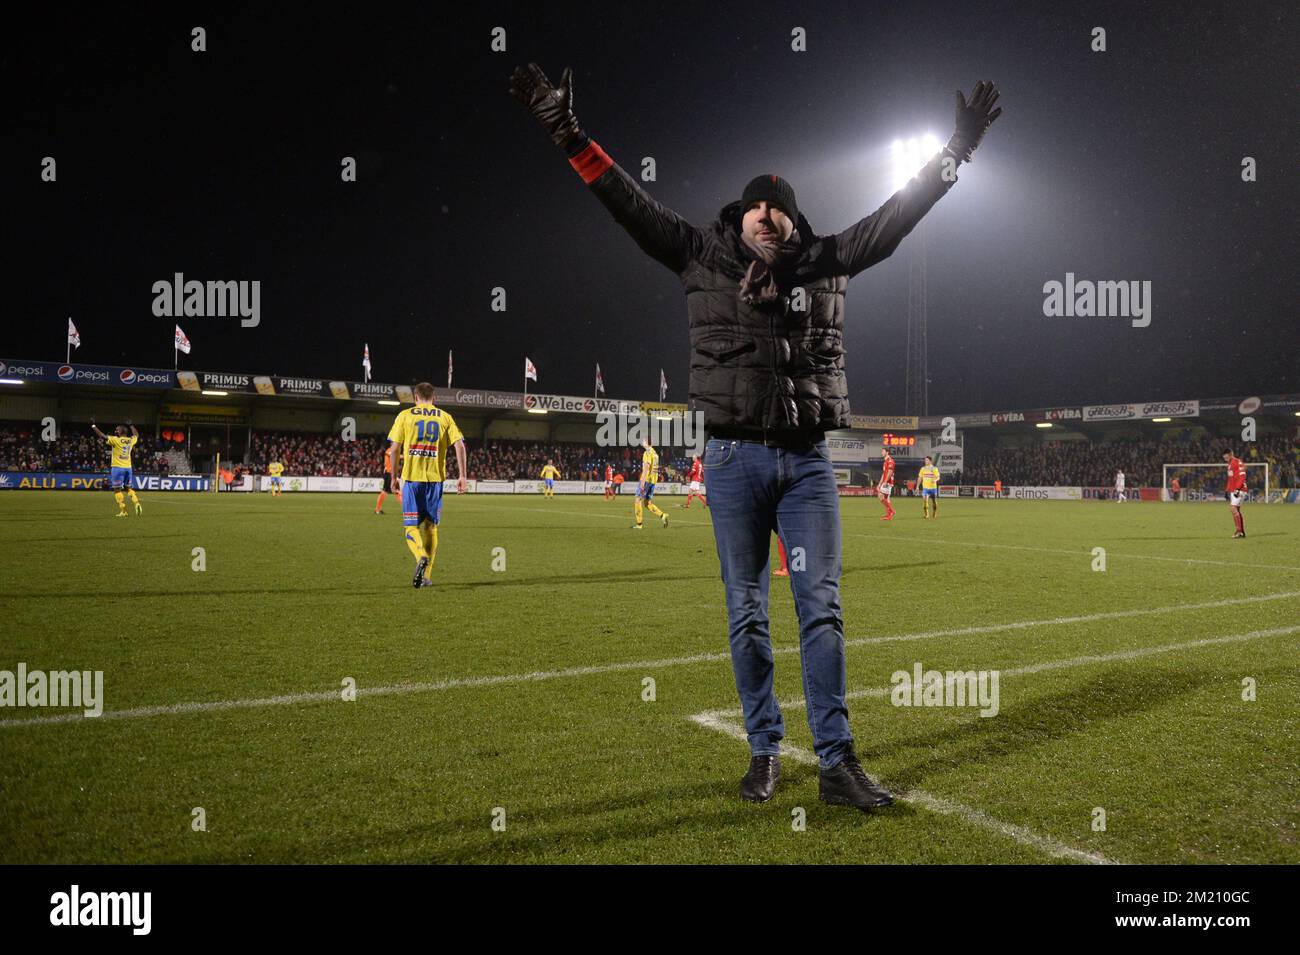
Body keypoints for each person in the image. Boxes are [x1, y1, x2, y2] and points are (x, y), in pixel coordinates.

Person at [512, 62, 1001, 810]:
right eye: (755, 206)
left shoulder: (828, 260)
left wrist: (955, 152)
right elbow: (626, 203)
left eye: (779, 207)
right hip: (733, 459)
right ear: (737, 218)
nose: (766, 214)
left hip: (806, 463)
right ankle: (765, 748)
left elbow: (899, 214)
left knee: (822, 608)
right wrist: (567, 134)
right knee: (745, 609)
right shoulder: (698, 255)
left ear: (795, 221)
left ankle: (837, 762)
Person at [386, 382, 468, 588]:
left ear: (415, 397)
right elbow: (460, 445)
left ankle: (420, 556)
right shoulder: (444, 417)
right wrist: (462, 476)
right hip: (435, 480)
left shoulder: (405, 416)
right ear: (434, 398)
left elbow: (394, 449)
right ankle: (427, 574)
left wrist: (393, 477)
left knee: (410, 527)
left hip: (412, 479)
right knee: (431, 527)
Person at [91, 419, 142, 517]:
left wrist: (93, 425)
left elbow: (102, 436)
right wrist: (131, 425)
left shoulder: (115, 439)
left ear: (122, 431)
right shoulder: (130, 440)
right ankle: (136, 503)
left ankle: (124, 511)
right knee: (128, 488)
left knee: (117, 490)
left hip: (117, 468)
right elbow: (136, 435)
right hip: (128, 468)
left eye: (117, 430)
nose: (115, 431)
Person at [632, 439, 668, 529]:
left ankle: (639, 524)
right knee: (647, 503)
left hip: (647, 480)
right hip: (653, 481)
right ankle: (662, 515)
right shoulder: (655, 454)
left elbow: (646, 468)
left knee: (637, 499)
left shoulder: (647, 453)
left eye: (644, 441)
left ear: (648, 443)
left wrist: (642, 483)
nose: (642, 442)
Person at [1223, 448, 1247, 538]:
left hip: (1240, 489)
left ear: (1230, 454)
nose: (1225, 459)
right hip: (1234, 490)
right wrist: (1227, 490)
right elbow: (1230, 479)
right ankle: (1241, 532)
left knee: (1233, 509)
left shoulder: (1237, 462)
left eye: (1226, 457)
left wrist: (1237, 489)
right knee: (1236, 510)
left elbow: (1242, 476)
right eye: (1224, 458)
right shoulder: (1229, 465)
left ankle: (1239, 531)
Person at [878, 449, 897, 521]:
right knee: (886, 498)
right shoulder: (885, 462)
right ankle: (889, 515)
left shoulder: (890, 461)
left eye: (883, 451)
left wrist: (885, 481)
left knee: (880, 495)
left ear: (887, 452)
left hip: (888, 482)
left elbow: (890, 471)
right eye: (881, 451)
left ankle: (891, 511)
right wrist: (880, 483)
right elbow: (884, 473)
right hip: (885, 482)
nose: (881, 453)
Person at [376, 439, 394, 513]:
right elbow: (397, 456)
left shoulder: (391, 451)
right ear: (391, 444)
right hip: (388, 473)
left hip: (390, 473)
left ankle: (378, 509)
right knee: (395, 491)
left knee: (386, 491)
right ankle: (408, 510)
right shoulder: (390, 450)